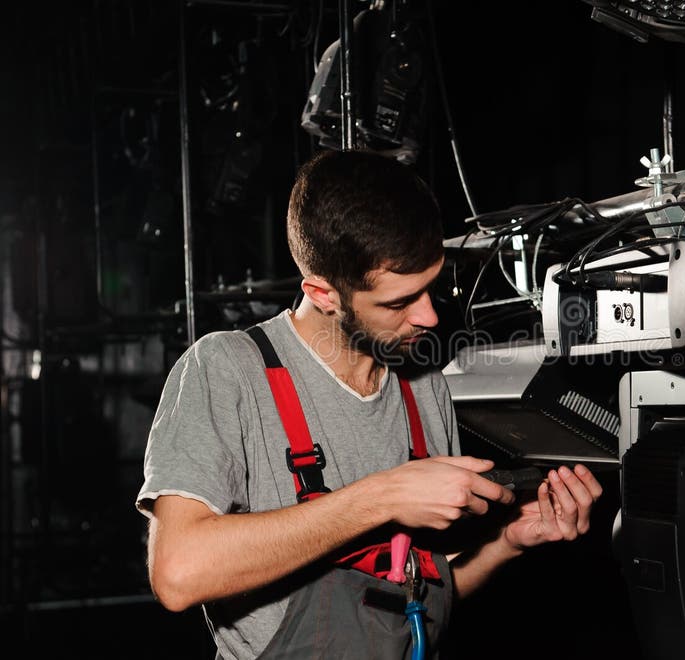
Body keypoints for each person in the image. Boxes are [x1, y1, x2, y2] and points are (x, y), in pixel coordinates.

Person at [135, 148, 603, 659]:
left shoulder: (422, 385)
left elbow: (411, 604)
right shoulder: (228, 371)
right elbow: (179, 573)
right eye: (399, 302)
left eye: (431, 288)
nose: (428, 317)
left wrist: (506, 543)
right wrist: (380, 498)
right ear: (323, 294)